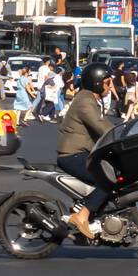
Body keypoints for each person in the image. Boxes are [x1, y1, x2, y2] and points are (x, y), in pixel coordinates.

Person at [57, 63, 116, 239]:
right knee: (108, 180)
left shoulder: (89, 98)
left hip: (82, 152)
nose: (110, 86)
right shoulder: (85, 103)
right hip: (73, 155)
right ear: (97, 83)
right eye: (107, 82)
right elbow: (103, 128)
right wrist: (123, 138)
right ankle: (82, 216)